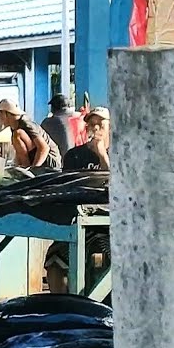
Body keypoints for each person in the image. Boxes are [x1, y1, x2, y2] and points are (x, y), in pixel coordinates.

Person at [45, 107, 112, 294]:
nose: (96, 128)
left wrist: (102, 155)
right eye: (92, 124)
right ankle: (65, 308)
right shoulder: (74, 155)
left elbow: (119, 186)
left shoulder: (122, 154)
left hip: (109, 226)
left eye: (101, 124)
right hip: (80, 223)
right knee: (55, 258)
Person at [0, 99, 61, 170]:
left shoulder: (27, 124)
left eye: (0, 114)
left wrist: (33, 169)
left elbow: (44, 148)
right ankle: (24, 169)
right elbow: (20, 151)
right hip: (38, 159)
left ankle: (27, 170)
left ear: (6, 113)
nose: (0, 118)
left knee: (18, 134)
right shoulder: (14, 126)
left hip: (51, 161)